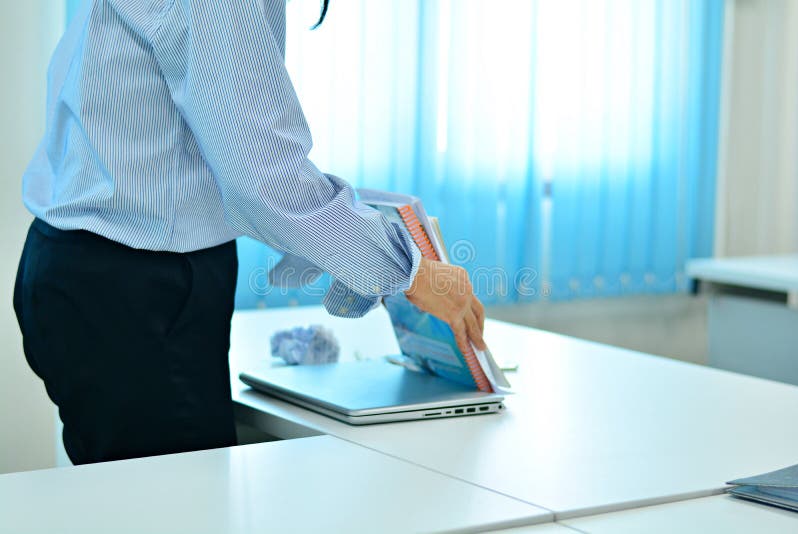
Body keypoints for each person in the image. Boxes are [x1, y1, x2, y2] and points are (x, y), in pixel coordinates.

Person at [14, 0, 487, 465]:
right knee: (176, 507)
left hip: (87, 267)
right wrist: (406, 270)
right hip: (133, 285)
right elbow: (260, 169)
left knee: (130, 504)